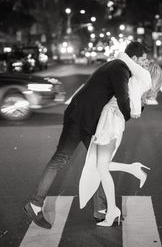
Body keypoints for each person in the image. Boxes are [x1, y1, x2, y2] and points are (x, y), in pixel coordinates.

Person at [24, 41, 148, 229]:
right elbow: (123, 99)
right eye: (144, 59)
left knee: (98, 164)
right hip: (80, 118)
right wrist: (129, 116)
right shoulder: (120, 68)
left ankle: (100, 210)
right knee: (61, 160)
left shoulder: (119, 67)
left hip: (88, 120)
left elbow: (125, 98)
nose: (146, 63)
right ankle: (35, 204)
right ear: (135, 59)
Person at [79, 53, 162, 227]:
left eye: (145, 64)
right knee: (99, 166)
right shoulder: (141, 84)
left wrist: (130, 61)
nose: (143, 64)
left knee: (100, 167)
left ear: (148, 71)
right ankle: (132, 170)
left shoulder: (139, 78)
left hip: (110, 122)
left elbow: (121, 55)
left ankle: (112, 210)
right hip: (112, 122)